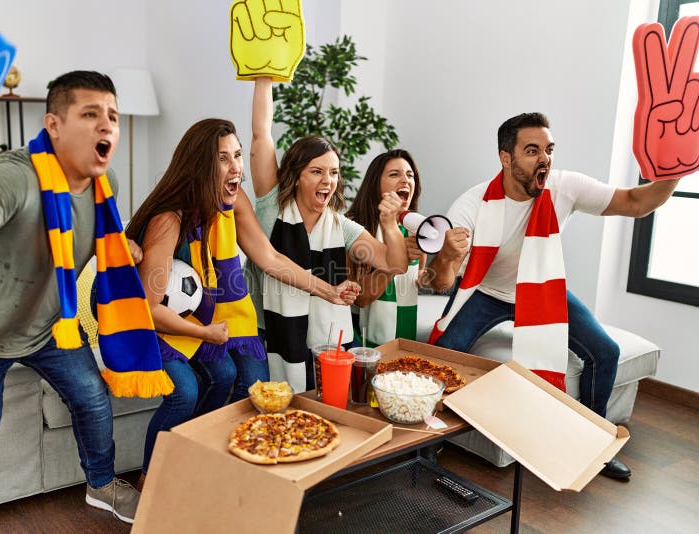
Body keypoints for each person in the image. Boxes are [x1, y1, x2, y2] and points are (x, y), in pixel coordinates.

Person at [0, 71, 144, 531]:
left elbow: (101, 239)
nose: (106, 126)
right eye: (90, 114)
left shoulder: (103, 182)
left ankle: (100, 485)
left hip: (43, 327)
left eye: (112, 116)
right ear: (53, 125)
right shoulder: (13, 178)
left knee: (93, 397)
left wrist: (126, 248)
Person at [428, 112, 681, 480]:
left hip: (542, 289)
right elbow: (441, 282)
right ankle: (430, 441)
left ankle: (595, 444)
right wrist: (449, 255)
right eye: (532, 150)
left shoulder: (564, 188)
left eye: (549, 150)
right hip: (486, 292)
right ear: (506, 158)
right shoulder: (472, 204)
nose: (544, 158)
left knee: (605, 352)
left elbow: (636, 203)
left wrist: (677, 168)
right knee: (444, 352)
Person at [127, 118, 359, 489]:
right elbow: (148, 308)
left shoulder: (232, 203)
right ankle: (150, 479)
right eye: (223, 159)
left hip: (223, 313)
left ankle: (208, 465)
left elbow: (268, 257)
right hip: (168, 322)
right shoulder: (169, 220)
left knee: (249, 385)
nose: (237, 168)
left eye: (237, 155)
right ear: (199, 166)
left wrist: (327, 290)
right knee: (194, 388)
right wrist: (204, 332)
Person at [246, 77, 409, 393]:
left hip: (321, 337)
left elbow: (394, 264)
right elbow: (260, 135)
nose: (328, 180)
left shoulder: (339, 225)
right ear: (296, 176)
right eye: (317, 171)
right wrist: (264, 78)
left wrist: (390, 225)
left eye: (333, 172)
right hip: (264, 329)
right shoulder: (271, 205)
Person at [345, 149, 470, 346]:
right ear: (375, 183)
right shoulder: (355, 227)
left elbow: (425, 280)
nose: (405, 180)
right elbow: (360, 298)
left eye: (410, 175)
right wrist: (396, 260)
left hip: (403, 337)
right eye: (394, 174)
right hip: (361, 342)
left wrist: (446, 258)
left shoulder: (415, 229)